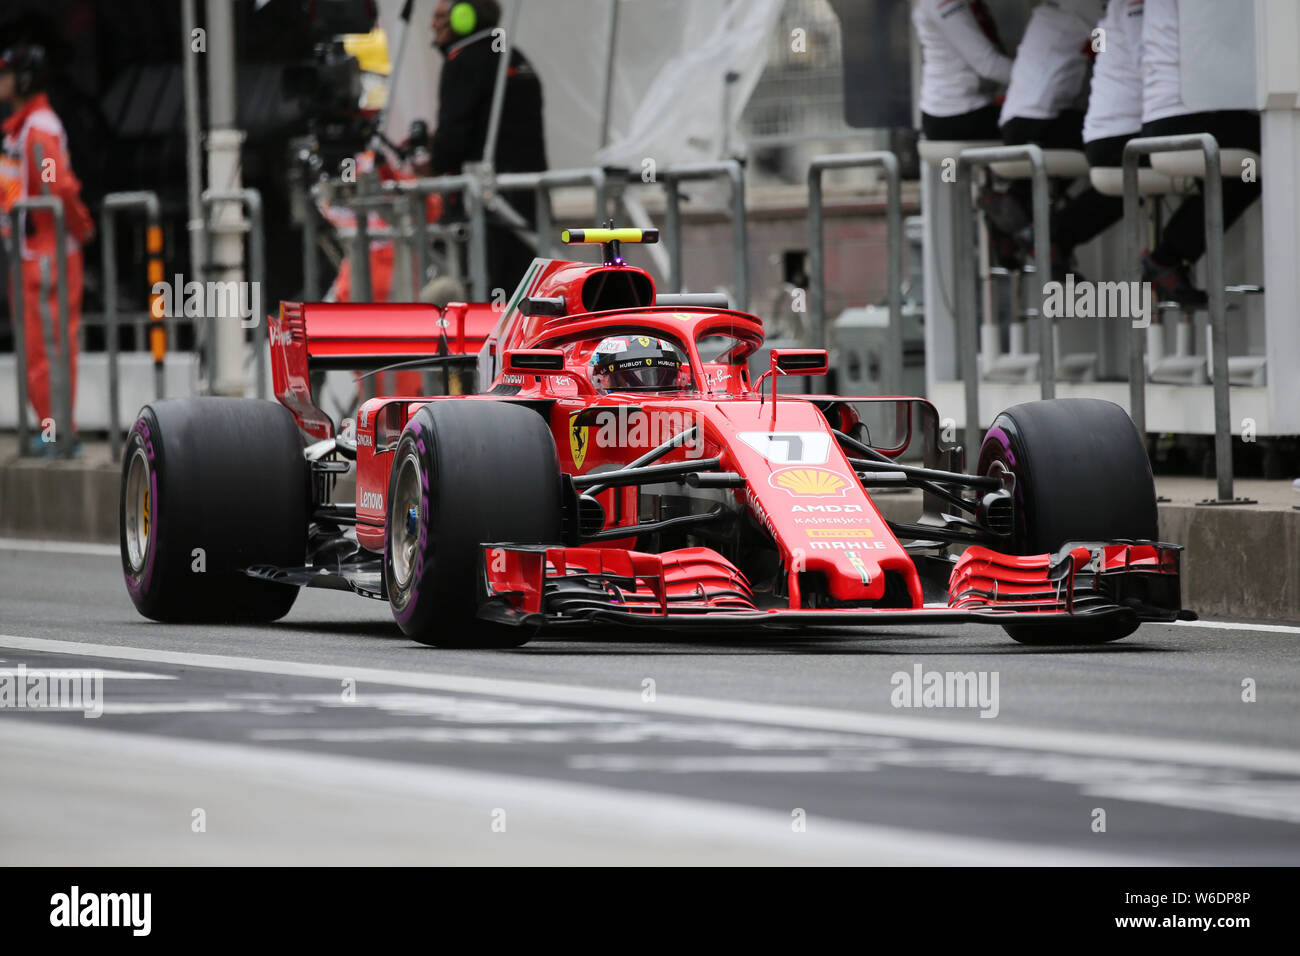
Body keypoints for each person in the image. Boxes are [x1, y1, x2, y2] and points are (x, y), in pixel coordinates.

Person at [0, 43, 94, 455]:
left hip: (47, 254)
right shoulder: (24, 128)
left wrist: (80, 227)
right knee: (41, 348)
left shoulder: (37, 128)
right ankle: (51, 431)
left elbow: (57, 186)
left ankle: (57, 435)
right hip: (34, 251)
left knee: (49, 349)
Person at [1137, 0, 1261, 306]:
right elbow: (1211, 54)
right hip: (1187, 116)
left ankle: (1168, 258)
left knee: (1246, 172)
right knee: (1275, 147)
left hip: (1159, 121)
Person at [426, 0, 546, 294]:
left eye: (441, 17)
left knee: (478, 297)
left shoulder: (463, 61)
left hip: (486, 208)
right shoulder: (514, 57)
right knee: (524, 296)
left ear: (464, 17)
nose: (433, 25)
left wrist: (430, 157)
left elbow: (451, 145)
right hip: (526, 203)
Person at [988, 0, 1107, 276]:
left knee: (1091, 140)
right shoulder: (1091, 10)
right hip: (1043, 122)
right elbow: (1114, 51)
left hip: (1016, 123)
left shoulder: (1052, 11)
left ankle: (1016, 202)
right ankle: (1054, 236)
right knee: (1116, 156)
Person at [911, 0, 1013, 141]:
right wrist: (1032, 81)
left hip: (959, 109)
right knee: (1032, 126)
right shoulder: (941, 3)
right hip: (958, 114)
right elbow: (988, 64)